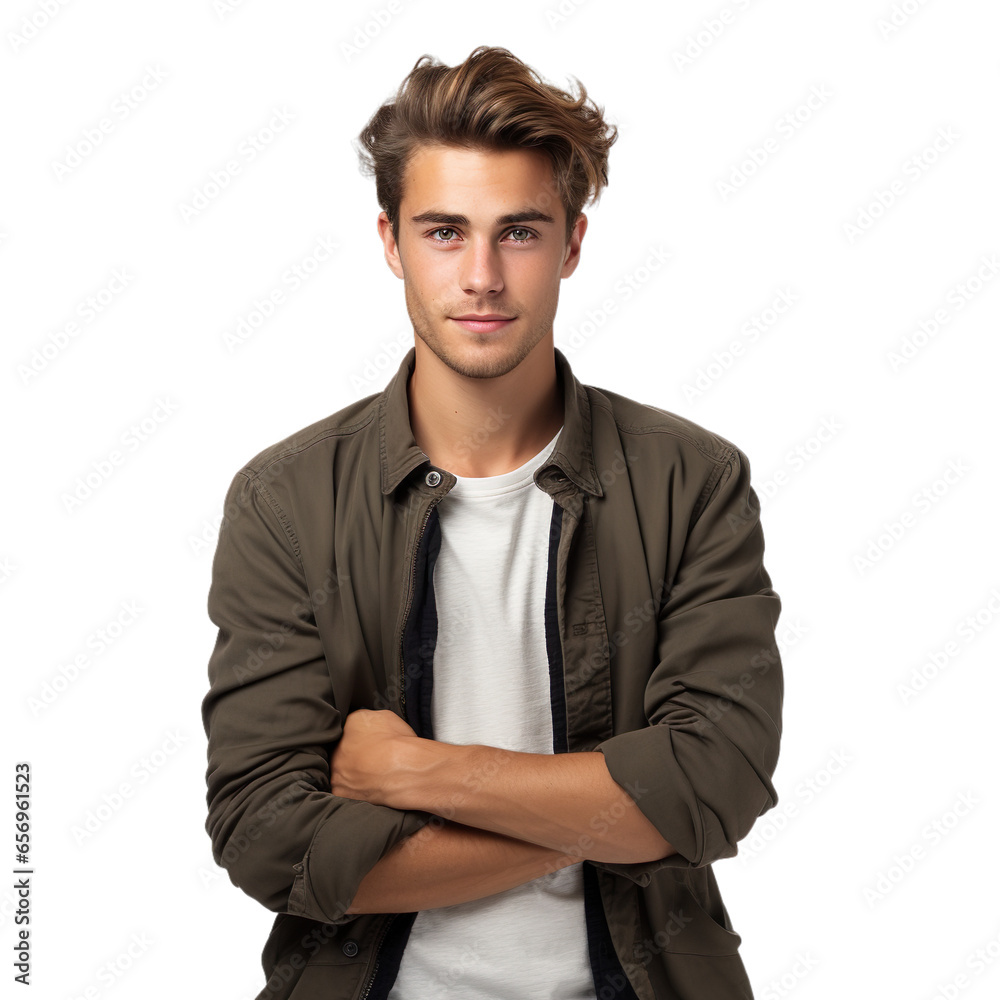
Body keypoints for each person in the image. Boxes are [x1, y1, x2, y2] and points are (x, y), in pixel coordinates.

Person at [201, 44, 784, 1000]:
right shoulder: (285, 500)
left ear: (573, 243)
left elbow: (713, 785)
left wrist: (417, 771)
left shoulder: (692, 480)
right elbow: (268, 836)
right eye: (443, 232)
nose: (480, 276)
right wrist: (603, 818)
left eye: (518, 231)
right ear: (390, 241)